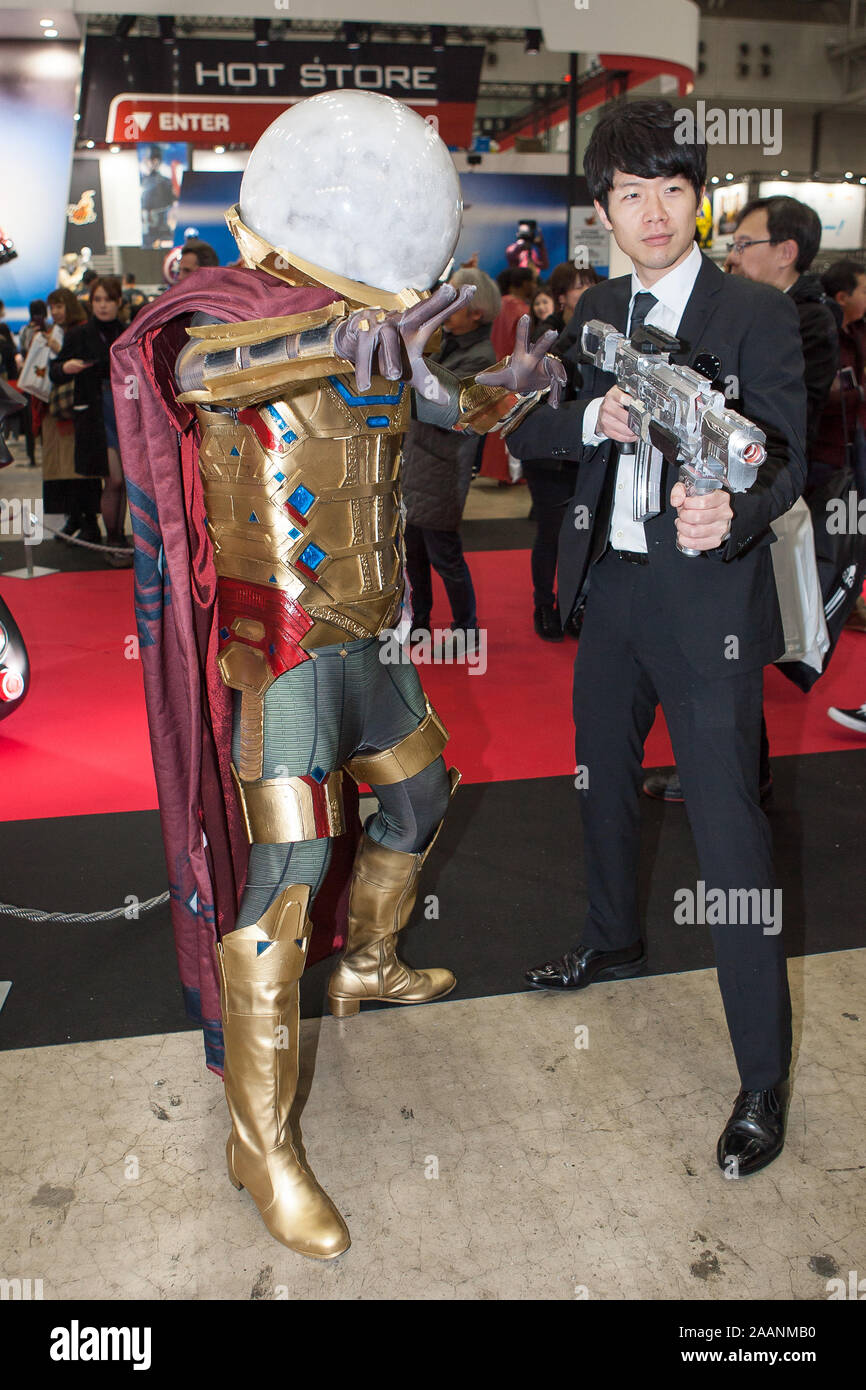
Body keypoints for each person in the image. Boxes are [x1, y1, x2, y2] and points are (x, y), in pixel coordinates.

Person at [110, 91, 560, 1261]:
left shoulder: (386, 338)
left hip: (367, 642)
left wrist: (518, 380)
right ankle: (257, 1144)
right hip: (286, 661)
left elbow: (451, 404)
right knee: (285, 878)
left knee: (418, 795)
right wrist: (327, 335)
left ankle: (368, 963)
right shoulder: (221, 329)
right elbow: (204, 372)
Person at [499, 98, 807, 1179]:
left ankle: (760, 1076)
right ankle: (611, 936)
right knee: (598, 778)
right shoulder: (597, 307)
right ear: (603, 210)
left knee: (726, 835)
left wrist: (734, 507)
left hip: (709, 606)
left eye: (672, 189)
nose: (654, 211)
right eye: (630, 194)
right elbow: (528, 431)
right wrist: (594, 418)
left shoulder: (753, 312)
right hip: (613, 595)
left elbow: (786, 460)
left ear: (697, 198)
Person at [644, 192, 839, 802]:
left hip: (779, 501)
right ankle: (736, 770)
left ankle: (738, 776)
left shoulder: (796, 316)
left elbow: (774, 431)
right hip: (738, 498)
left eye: (743, 245)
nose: (732, 256)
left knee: (741, 641)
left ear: (786, 252)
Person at [402, 268, 500, 641]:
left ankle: (466, 627)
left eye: (455, 305)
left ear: (476, 311)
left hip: (443, 463)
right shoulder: (450, 345)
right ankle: (421, 622)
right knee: (415, 554)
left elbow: (445, 407)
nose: (445, 312)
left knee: (444, 554)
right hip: (420, 460)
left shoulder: (479, 356)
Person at [523, 263, 602, 640]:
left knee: (584, 531)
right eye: (578, 286)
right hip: (549, 455)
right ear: (561, 296)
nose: (585, 291)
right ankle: (544, 604)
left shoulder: (606, 333)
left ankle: (576, 604)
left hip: (590, 449)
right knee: (551, 532)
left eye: (590, 284)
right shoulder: (546, 337)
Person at [49, 276, 132, 567]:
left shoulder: (128, 332)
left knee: (123, 483)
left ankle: (118, 537)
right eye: (98, 299)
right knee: (114, 479)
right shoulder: (80, 335)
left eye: (108, 299)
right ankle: (114, 537)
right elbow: (54, 371)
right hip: (96, 415)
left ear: (118, 302)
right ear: (90, 301)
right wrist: (66, 367)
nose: (103, 305)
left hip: (126, 412)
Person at [815, 259, 866, 634]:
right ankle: (829, 604)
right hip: (826, 450)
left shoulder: (859, 331)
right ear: (843, 296)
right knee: (831, 533)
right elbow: (815, 394)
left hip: (857, 442)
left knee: (857, 525)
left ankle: (852, 598)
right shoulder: (822, 333)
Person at [42, 288, 102, 542]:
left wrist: (59, 352)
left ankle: (88, 522)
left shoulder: (81, 330)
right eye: (52, 307)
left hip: (82, 409)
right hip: (59, 411)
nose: (55, 312)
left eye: (59, 306)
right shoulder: (55, 330)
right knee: (65, 470)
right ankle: (75, 518)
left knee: (83, 471)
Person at [480, 267, 537, 482]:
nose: (534, 285)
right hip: (516, 372)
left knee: (496, 422)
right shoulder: (522, 310)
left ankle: (499, 472)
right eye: (531, 281)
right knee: (515, 421)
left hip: (493, 369)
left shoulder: (498, 305)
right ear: (521, 284)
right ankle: (513, 474)